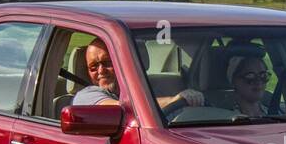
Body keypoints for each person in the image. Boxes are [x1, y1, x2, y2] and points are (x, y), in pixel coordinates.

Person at [72, 39, 203, 110]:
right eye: (93, 67)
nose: (101, 71)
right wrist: (175, 100)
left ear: (123, 62)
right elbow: (124, 109)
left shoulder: (152, 87)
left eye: (107, 63)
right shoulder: (86, 96)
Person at [228, 51, 270, 118]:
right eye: (250, 76)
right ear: (234, 81)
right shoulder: (226, 118)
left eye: (263, 75)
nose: (258, 81)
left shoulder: (274, 113)